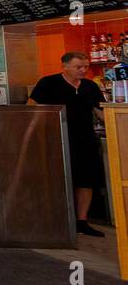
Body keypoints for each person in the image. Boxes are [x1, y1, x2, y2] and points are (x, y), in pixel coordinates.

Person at [29, 51, 107, 237]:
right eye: (78, 67)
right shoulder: (48, 83)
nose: (83, 70)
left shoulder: (90, 86)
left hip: (85, 139)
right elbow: (32, 108)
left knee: (86, 180)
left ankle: (82, 221)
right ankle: (58, 220)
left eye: (86, 67)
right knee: (59, 179)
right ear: (64, 66)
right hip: (57, 139)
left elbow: (100, 112)